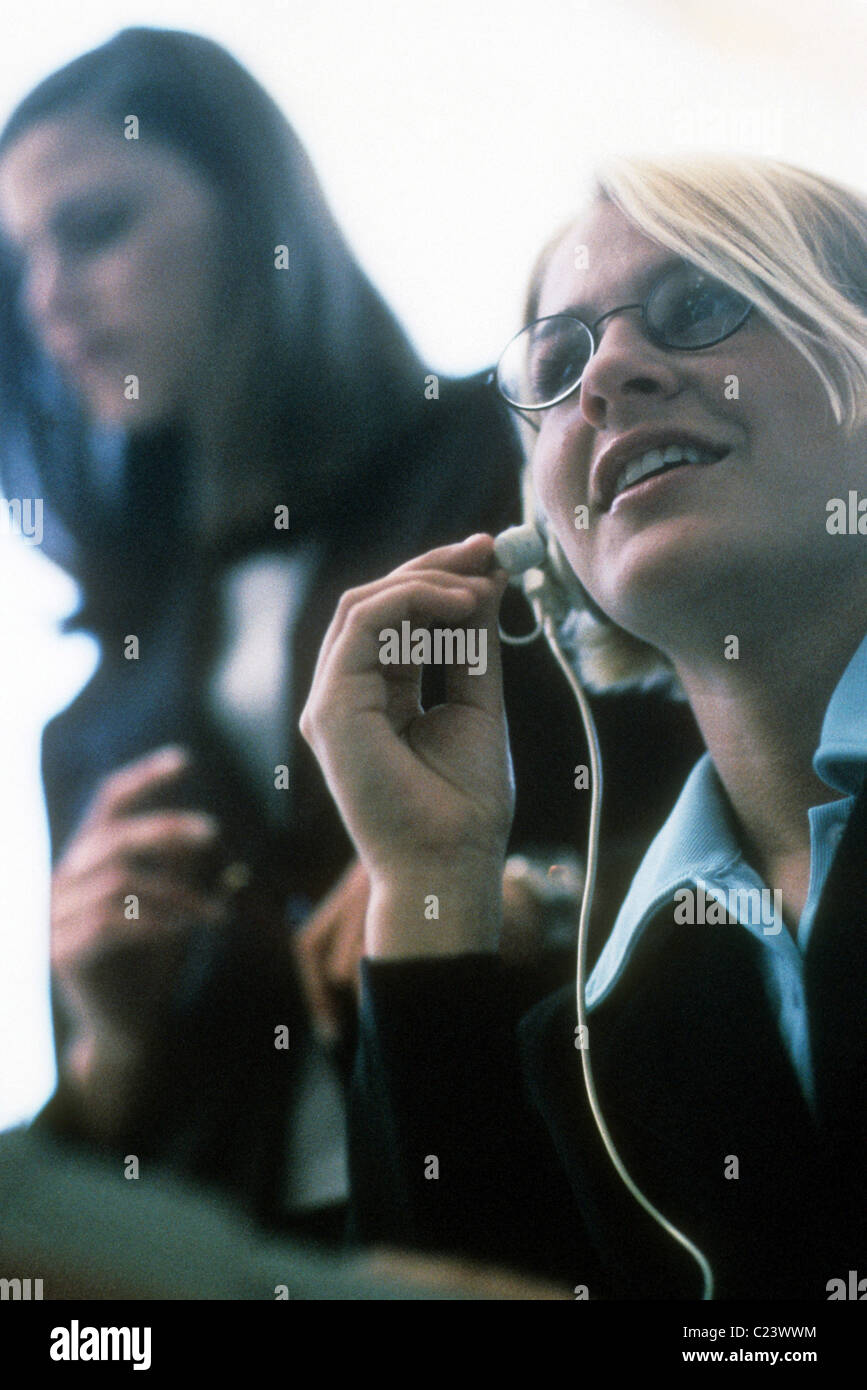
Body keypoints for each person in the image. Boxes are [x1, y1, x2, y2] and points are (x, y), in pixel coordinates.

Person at [0, 28, 700, 1233]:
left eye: (96, 227)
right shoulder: (101, 701)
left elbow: (736, 792)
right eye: (18, 266)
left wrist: (513, 896)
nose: (50, 299)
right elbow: (107, 1136)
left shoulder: (523, 459)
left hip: (564, 1205)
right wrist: (108, 1039)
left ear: (254, 214)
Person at [300, 154, 867, 1297]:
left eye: (700, 305)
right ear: (547, 557)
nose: (605, 374)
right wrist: (426, 876)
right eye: (556, 366)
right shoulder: (602, 1044)